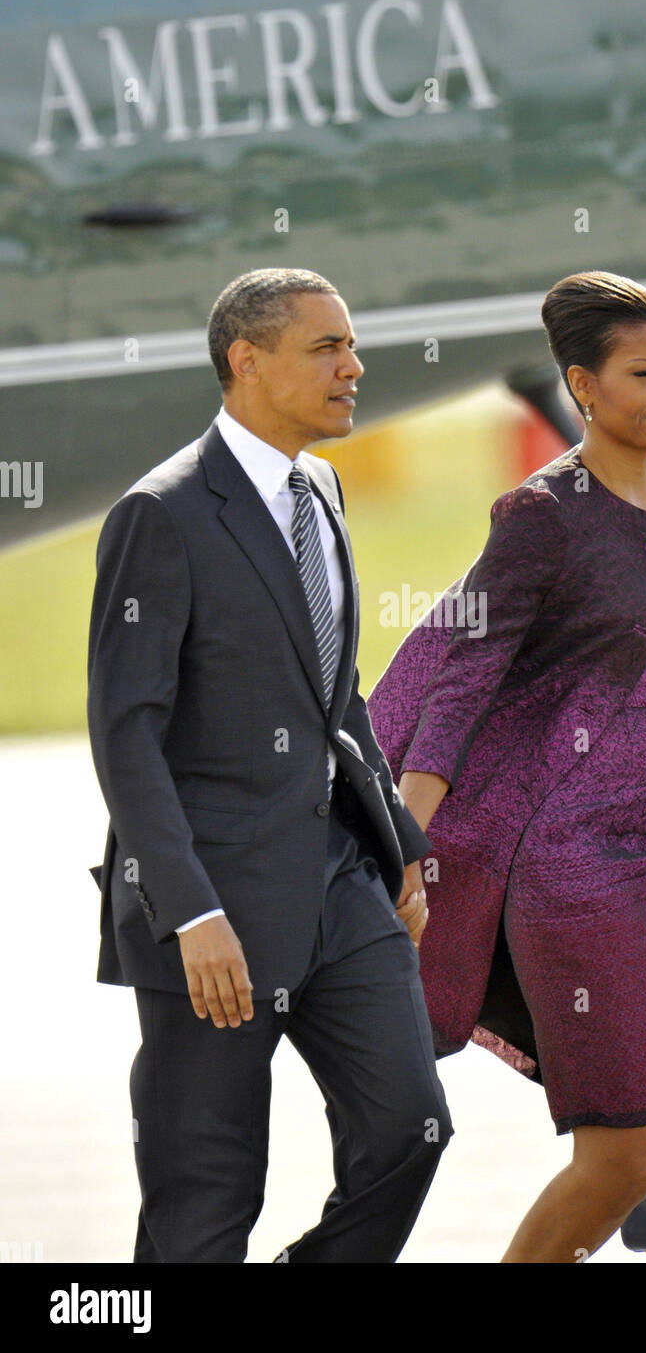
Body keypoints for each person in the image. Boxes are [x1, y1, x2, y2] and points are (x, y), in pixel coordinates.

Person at [367, 270, 646, 1264]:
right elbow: (465, 682)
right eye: (642, 373)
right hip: (578, 871)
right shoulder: (539, 518)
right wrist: (404, 837)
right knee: (631, 1156)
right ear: (582, 386)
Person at [87, 267, 451, 1263]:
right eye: (327, 348)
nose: (355, 366)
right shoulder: (160, 515)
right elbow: (125, 731)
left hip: (338, 886)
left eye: (353, 344)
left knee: (411, 1128)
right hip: (215, 913)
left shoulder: (320, 488)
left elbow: (336, 700)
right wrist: (191, 911)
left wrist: (401, 840)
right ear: (247, 361)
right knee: (204, 1209)